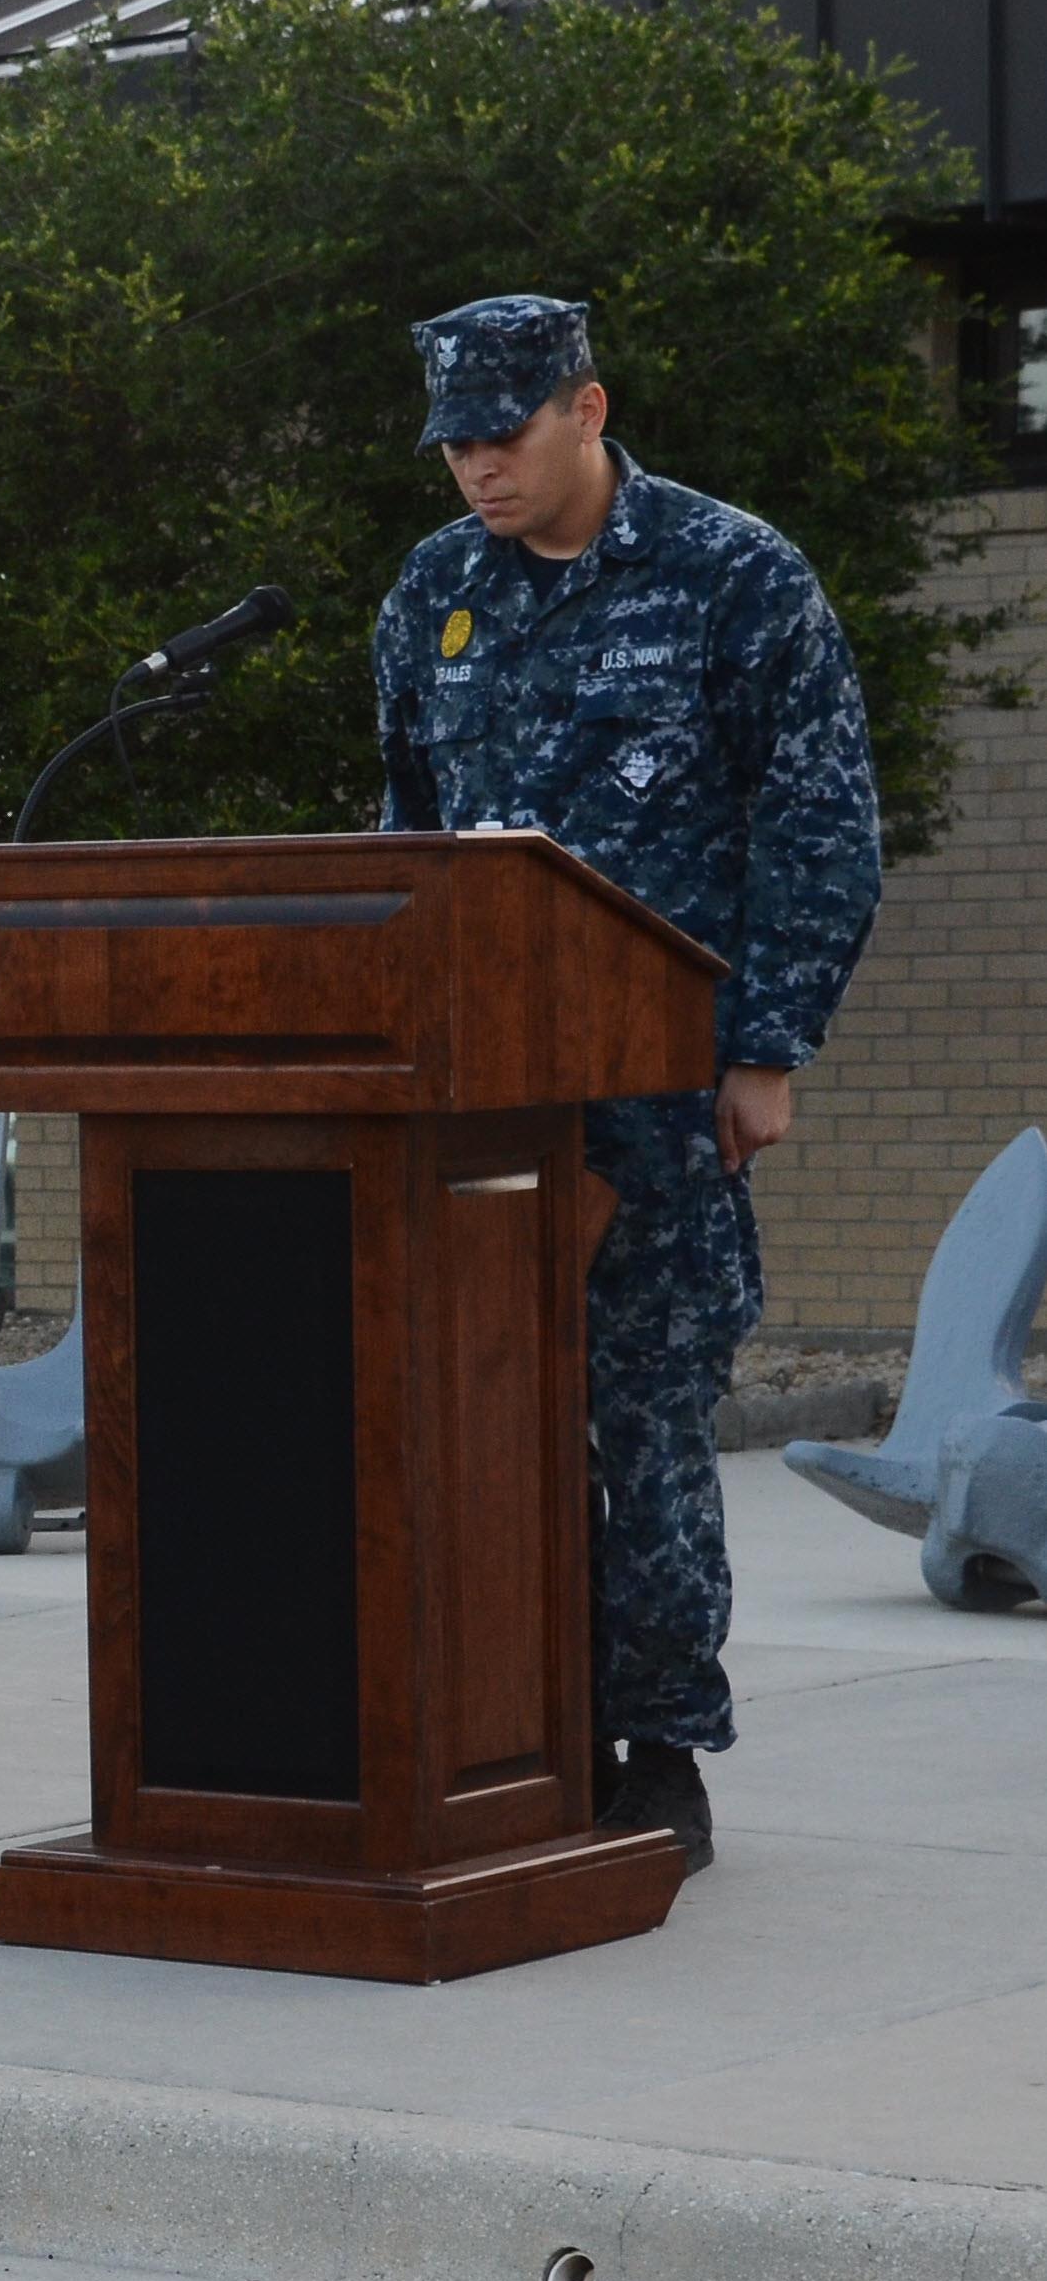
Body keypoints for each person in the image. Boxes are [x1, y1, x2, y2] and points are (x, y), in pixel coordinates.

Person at [373, 293, 883, 1876]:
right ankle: (511, 1729)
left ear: (584, 409)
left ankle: (658, 1747)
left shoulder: (734, 573)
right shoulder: (433, 592)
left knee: (641, 1424)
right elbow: (404, 829)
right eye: (453, 443)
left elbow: (818, 824)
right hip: (473, 1103)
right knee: (473, 1417)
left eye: (500, 434)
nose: (475, 467)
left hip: (656, 1096)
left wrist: (763, 1050)